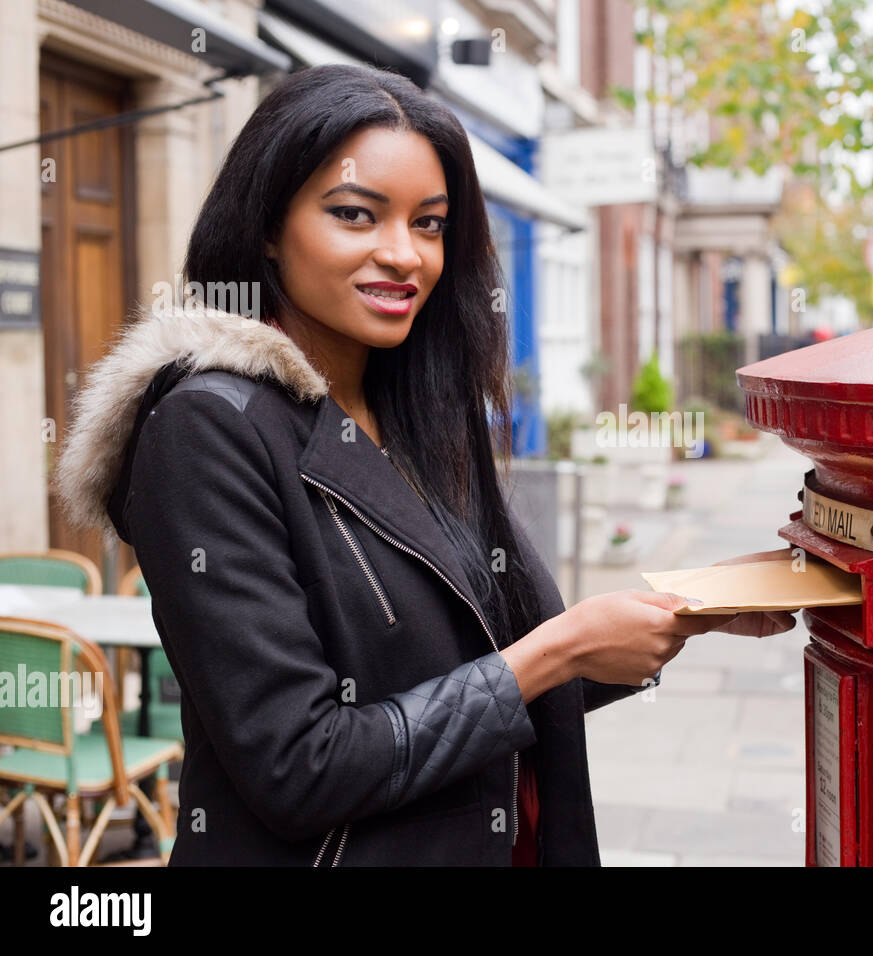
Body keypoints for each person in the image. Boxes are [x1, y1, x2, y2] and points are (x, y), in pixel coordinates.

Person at [53, 63, 795, 866]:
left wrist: (688, 609)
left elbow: (492, 682)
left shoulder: (419, 415)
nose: (404, 254)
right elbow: (298, 766)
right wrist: (563, 648)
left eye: (431, 224)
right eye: (355, 215)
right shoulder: (208, 428)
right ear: (268, 226)